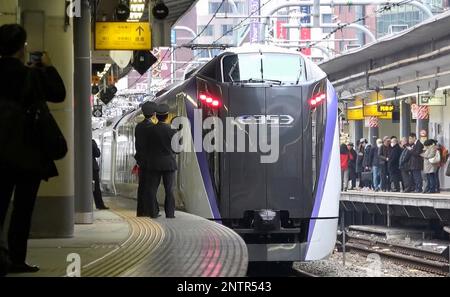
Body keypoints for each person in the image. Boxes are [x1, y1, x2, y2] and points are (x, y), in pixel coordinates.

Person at [0, 24, 66, 273]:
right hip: (28, 155)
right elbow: (59, 93)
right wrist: (47, 67)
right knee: (22, 210)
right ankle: (16, 260)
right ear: (22, 48)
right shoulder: (31, 75)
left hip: (1, 154)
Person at [147, 104, 177, 218]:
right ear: (167, 116)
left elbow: (147, 147)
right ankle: (170, 214)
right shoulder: (172, 131)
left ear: (156, 116)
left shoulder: (150, 130)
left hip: (154, 164)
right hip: (169, 164)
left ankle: (154, 212)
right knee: (169, 190)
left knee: (152, 189)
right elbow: (177, 149)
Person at [134, 101, 158, 217]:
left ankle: (141, 211)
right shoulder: (153, 128)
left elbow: (138, 145)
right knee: (151, 187)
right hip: (151, 162)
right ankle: (151, 211)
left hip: (141, 161)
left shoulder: (138, 127)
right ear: (154, 114)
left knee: (142, 187)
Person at [92, 139, 108, 210]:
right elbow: (97, 154)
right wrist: (97, 147)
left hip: (82, 168)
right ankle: (99, 205)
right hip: (93, 167)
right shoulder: (92, 142)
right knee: (96, 187)